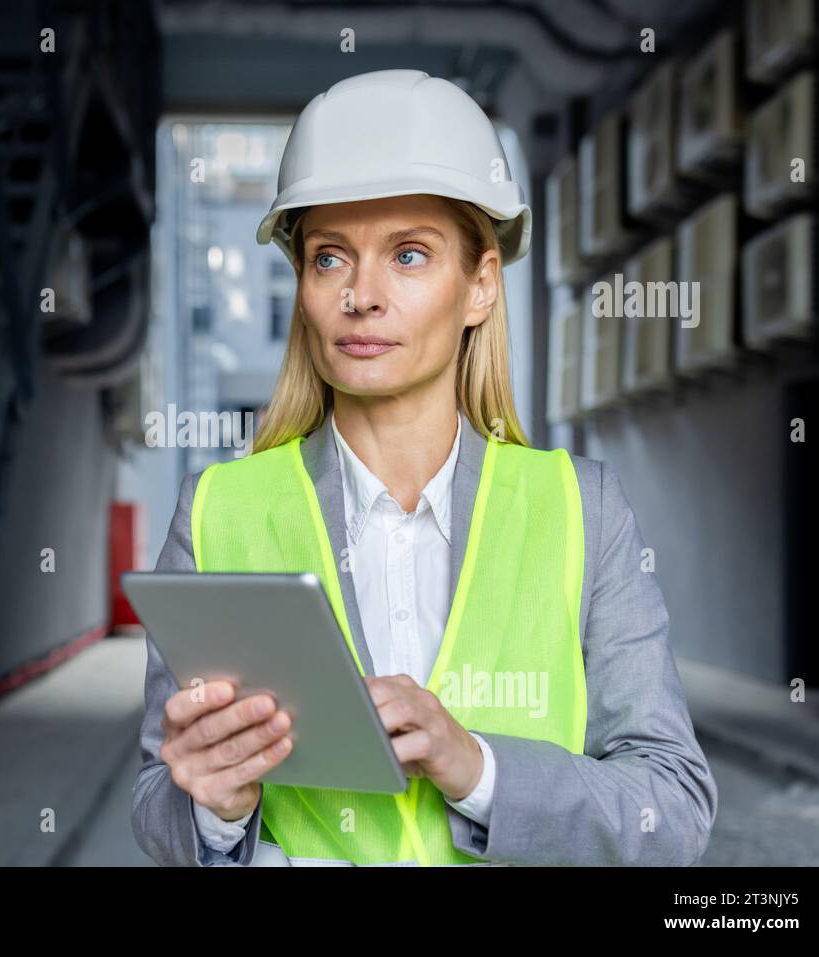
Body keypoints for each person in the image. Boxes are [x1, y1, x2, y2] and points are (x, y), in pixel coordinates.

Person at [130, 69, 717, 866]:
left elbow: (673, 808)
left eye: (408, 255)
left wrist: (478, 770)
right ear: (301, 282)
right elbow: (153, 803)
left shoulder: (581, 508)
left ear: (479, 285)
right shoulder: (218, 511)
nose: (361, 295)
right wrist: (214, 810)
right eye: (330, 258)